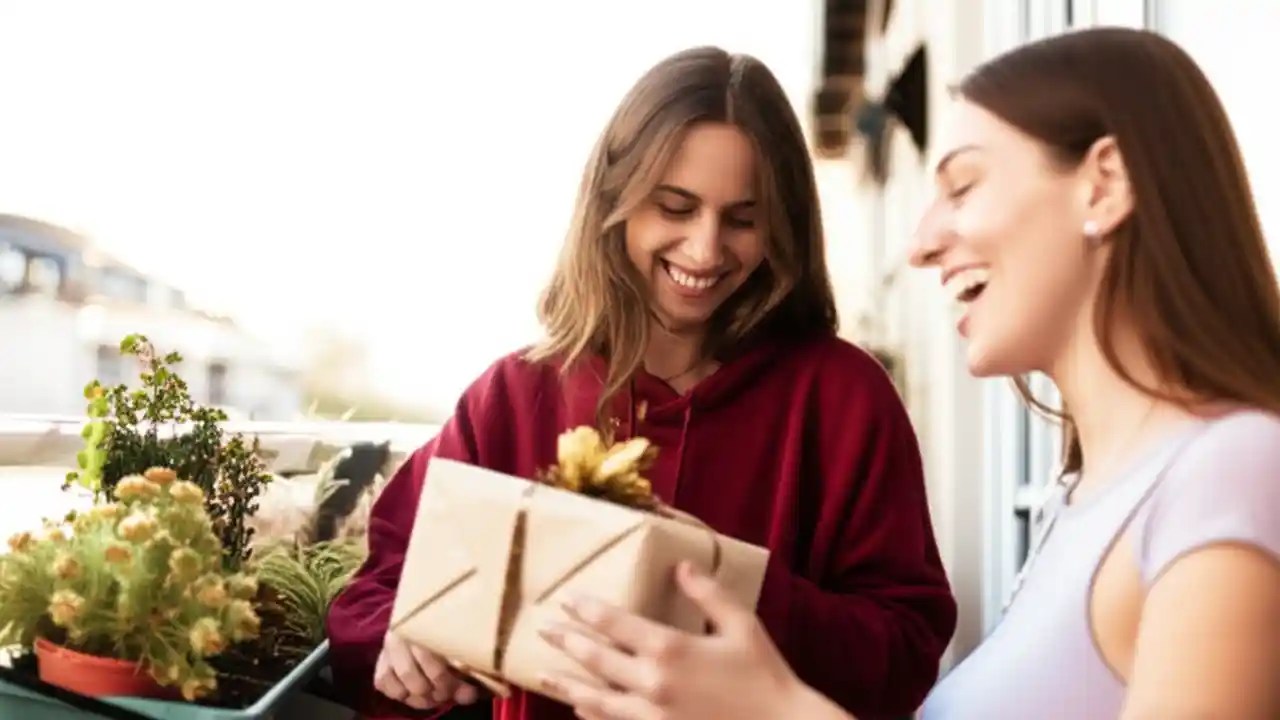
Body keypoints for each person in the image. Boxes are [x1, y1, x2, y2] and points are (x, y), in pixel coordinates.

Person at [536, 26, 1280, 720]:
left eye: (962, 186)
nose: (921, 243)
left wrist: (774, 706)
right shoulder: (1083, 504)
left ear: (1105, 184)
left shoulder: (1233, 468)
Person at [324, 46, 958, 720]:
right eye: (675, 208)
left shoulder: (843, 399)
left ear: (785, 226)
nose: (707, 249)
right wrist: (401, 644)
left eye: (744, 219)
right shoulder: (513, 395)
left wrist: (719, 583)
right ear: (615, 201)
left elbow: (907, 651)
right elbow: (375, 596)